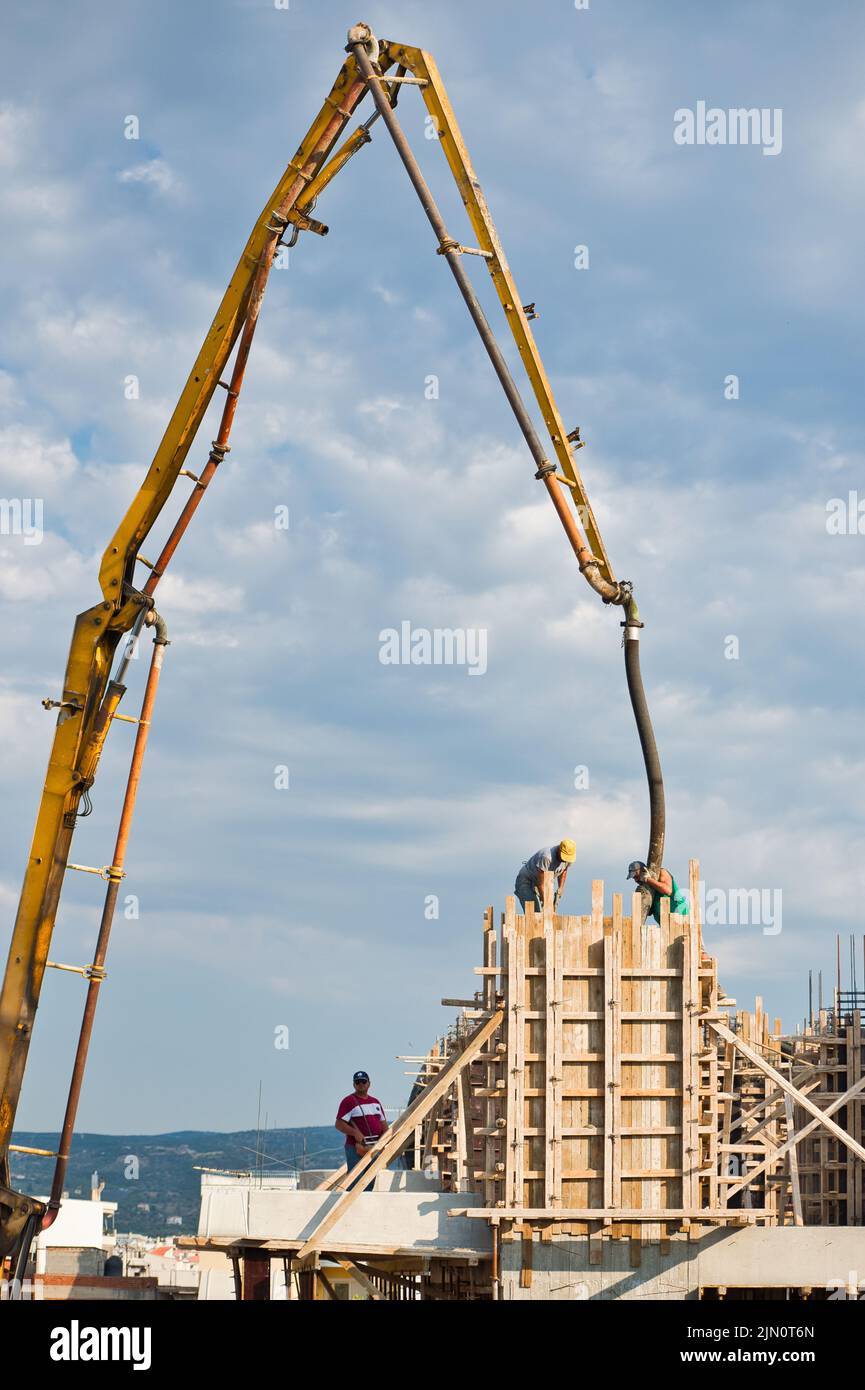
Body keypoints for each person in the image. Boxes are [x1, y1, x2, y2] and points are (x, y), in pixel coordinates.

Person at [335, 1070, 389, 1172]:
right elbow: (339, 1124)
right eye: (358, 1082)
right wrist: (355, 1132)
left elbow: (384, 1127)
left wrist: (382, 1144)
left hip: (374, 1148)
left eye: (363, 1082)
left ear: (369, 1084)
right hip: (356, 1148)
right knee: (356, 1179)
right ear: (354, 1085)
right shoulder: (349, 1101)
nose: (361, 1084)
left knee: (372, 1180)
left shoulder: (376, 1102)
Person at [514, 839, 576, 912]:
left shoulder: (567, 860)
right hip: (527, 880)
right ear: (559, 850)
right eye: (564, 857)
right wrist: (547, 903)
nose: (565, 860)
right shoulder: (547, 857)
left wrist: (560, 889)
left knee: (548, 913)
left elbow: (564, 870)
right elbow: (541, 884)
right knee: (535, 912)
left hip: (544, 883)